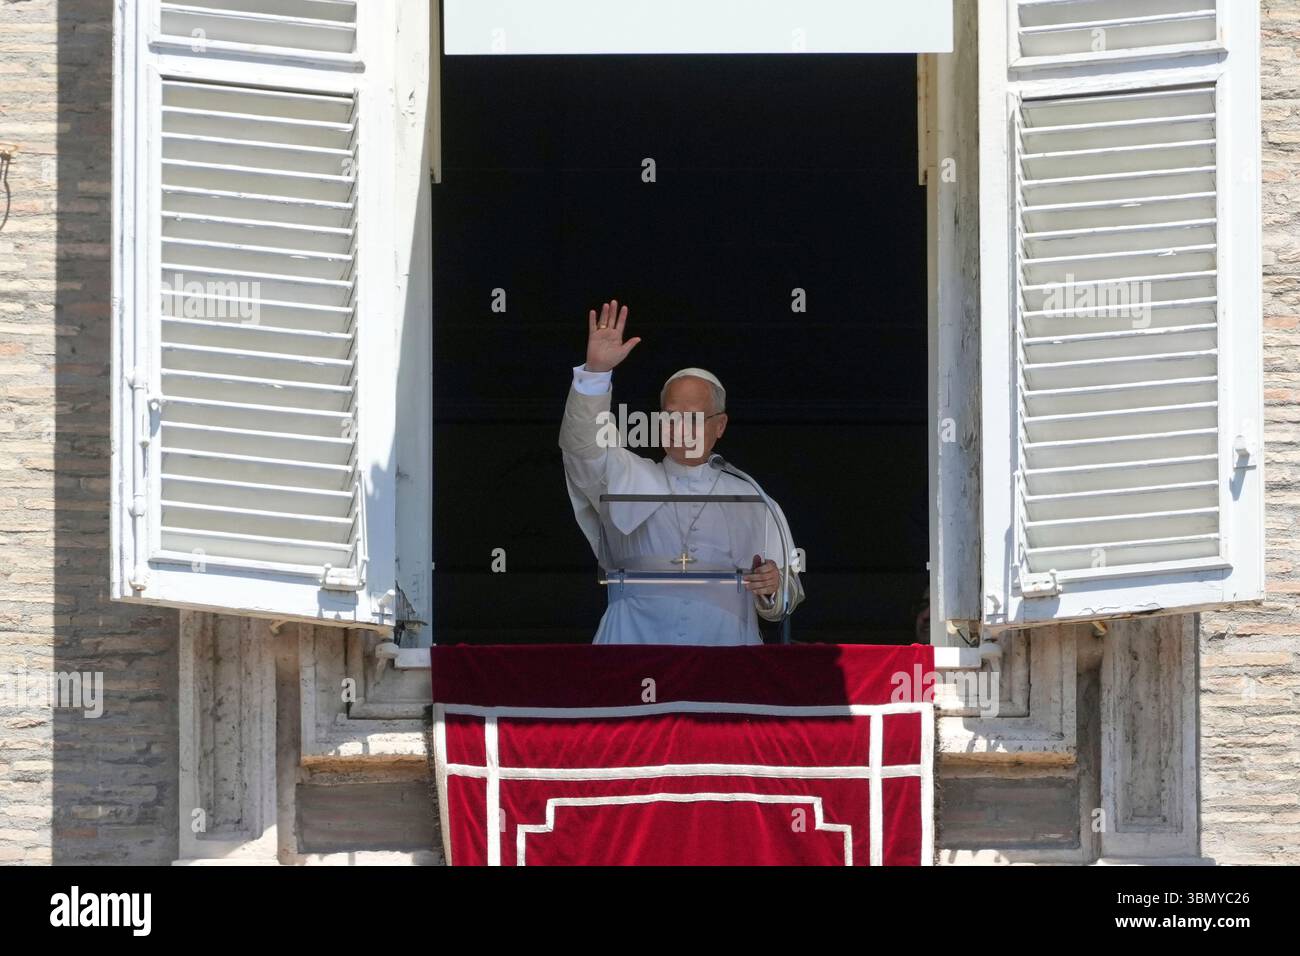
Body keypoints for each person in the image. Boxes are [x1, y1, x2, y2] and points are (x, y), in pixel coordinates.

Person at [559, 299, 804, 645]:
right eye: (669, 416)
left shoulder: (753, 498)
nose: (678, 426)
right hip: (632, 645)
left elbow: (786, 596)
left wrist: (773, 586)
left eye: (692, 417)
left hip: (725, 650)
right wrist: (596, 374)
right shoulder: (625, 474)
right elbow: (580, 447)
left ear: (719, 426)